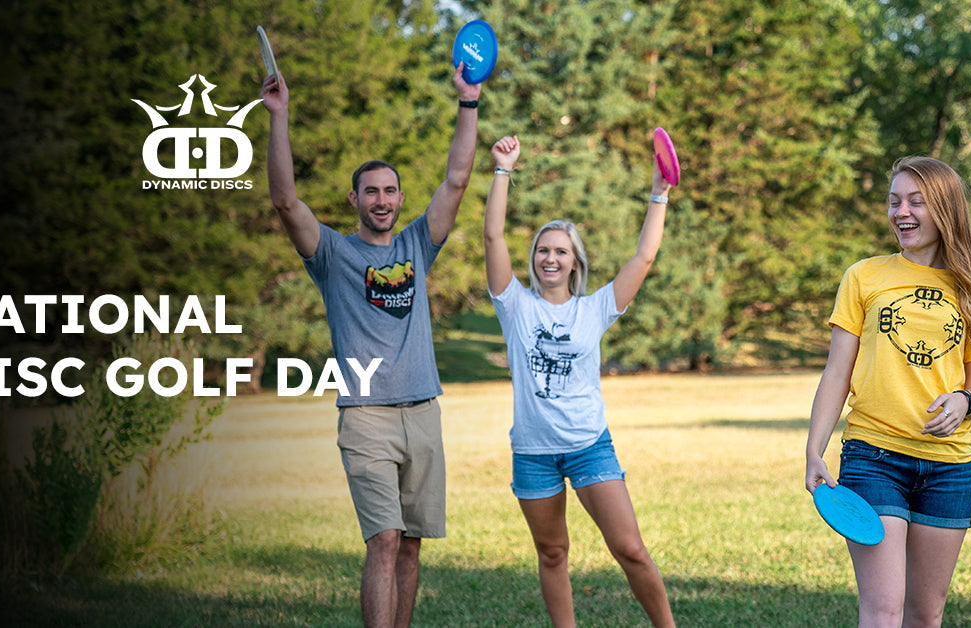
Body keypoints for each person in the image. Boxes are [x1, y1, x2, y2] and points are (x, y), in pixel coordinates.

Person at [260, 63, 480, 628]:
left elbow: (457, 180)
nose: (381, 200)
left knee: (410, 546)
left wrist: (469, 103)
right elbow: (285, 202)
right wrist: (279, 116)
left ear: (400, 198)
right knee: (383, 538)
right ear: (354, 198)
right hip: (366, 417)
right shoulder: (333, 255)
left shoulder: (417, 245)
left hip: (423, 413)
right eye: (370, 191)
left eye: (389, 191)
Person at [483, 135, 677, 628]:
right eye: (542, 250)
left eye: (561, 251)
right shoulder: (514, 305)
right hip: (533, 453)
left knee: (630, 549)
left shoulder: (595, 309)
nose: (550, 258)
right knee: (552, 553)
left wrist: (659, 194)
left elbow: (643, 258)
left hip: (589, 446)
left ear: (575, 262)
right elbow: (492, 238)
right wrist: (503, 170)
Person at [804, 156, 971, 627]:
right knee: (883, 608)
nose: (901, 212)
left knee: (925, 615)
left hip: (949, 470)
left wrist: (963, 402)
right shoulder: (864, 276)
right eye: (894, 201)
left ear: (946, 209)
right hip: (874, 457)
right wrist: (814, 448)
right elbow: (837, 372)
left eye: (916, 201)